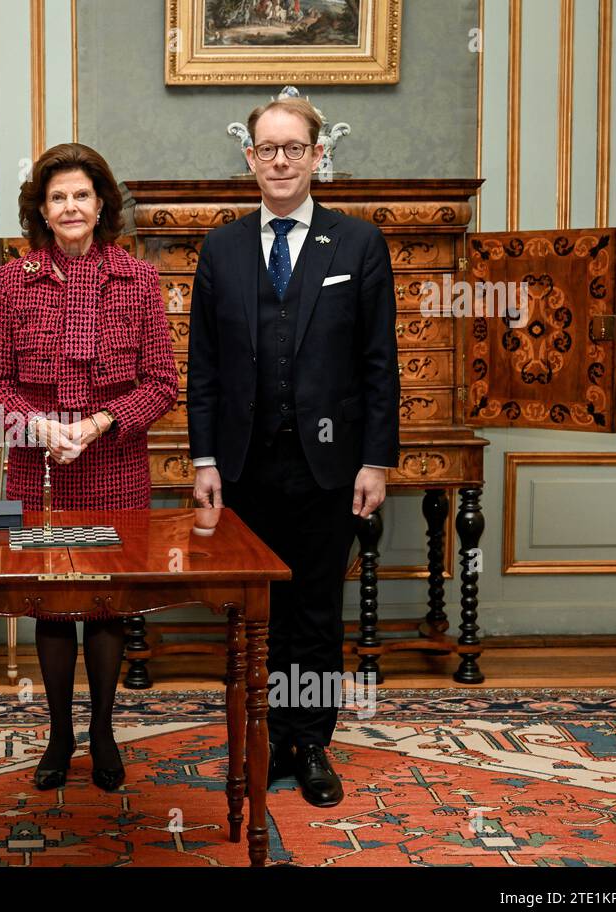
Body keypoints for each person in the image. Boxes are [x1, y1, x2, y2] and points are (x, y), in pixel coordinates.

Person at [187, 96, 399, 808]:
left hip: (328, 470)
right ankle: (260, 738)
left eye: (294, 148)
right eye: (267, 149)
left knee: (312, 610)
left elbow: (379, 365)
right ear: (248, 158)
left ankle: (309, 743)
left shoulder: (359, 245)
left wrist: (375, 461)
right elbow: (204, 370)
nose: (280, 160)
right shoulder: (221, 248)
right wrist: (205, 460)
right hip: (244, 467)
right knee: (253, 614)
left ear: (317, 156)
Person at [0, 143, 178, 792]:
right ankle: (60, 733)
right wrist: (38, 428)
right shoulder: (14, 280)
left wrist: (97, 424)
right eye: (57, 196)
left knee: (106, 604)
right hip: (40, 470)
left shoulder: (139, 280)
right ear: (42, 208)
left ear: (101, 206)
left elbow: (160, 384)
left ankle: (103, 730)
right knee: (52, 605)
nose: (70, 206)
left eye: (81, 195)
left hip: (115, 466)